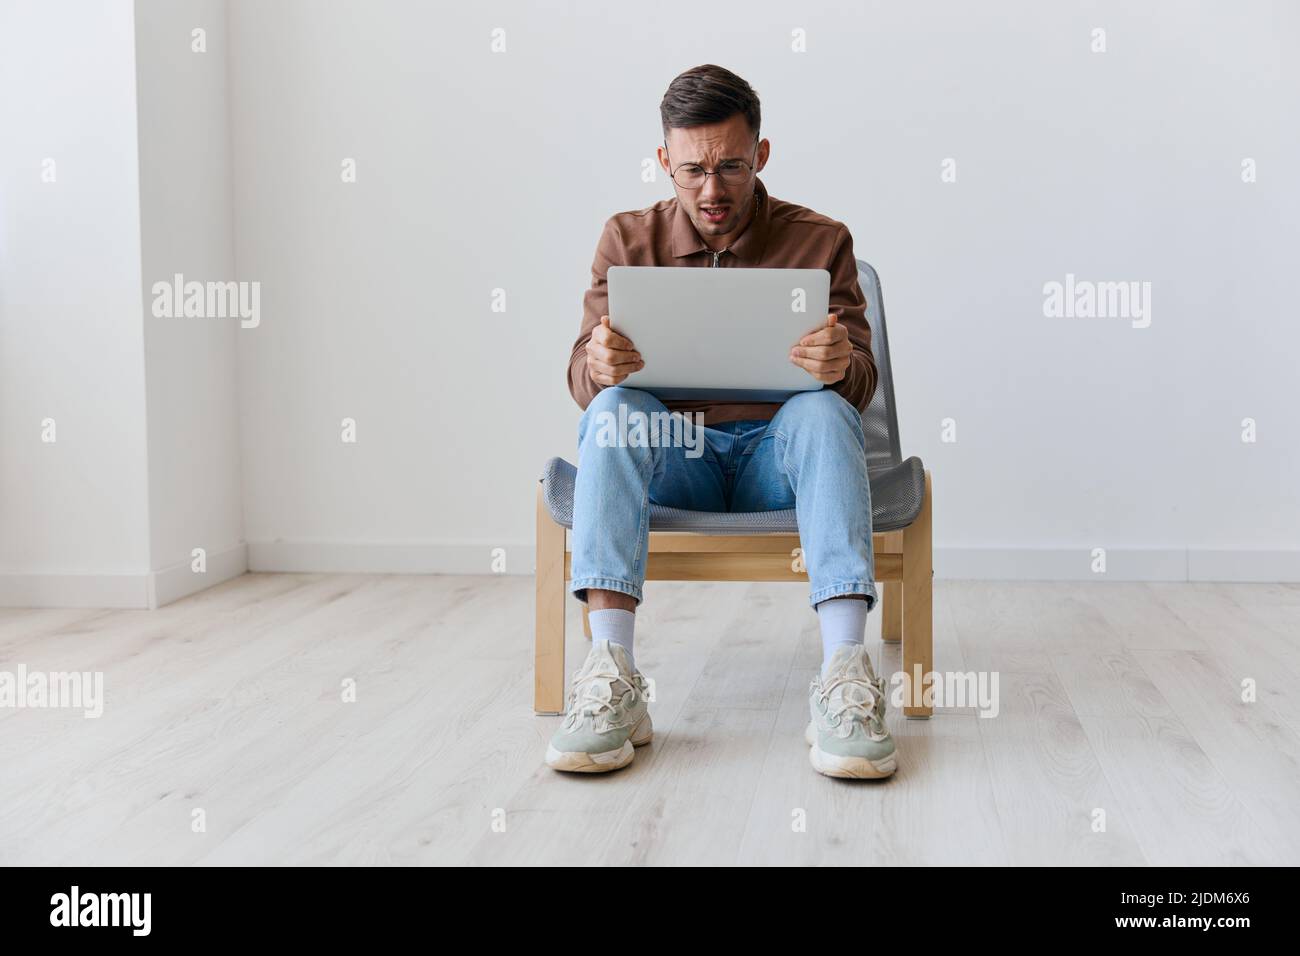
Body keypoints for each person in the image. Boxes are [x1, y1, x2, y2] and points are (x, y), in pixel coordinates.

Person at [545, 64, 895, 780]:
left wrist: (840, 366)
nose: (712, 190)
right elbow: (582, 380)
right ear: (663, 162)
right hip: (678, 463)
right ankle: (610, 672)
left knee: (824, 412)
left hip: (779, 465)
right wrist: (599, 367)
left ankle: (845, 679)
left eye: (731, 166)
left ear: (761, 155)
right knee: (615, 411)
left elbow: (860, 384)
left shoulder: (822, 240)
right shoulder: (625, 238)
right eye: (692, 169)